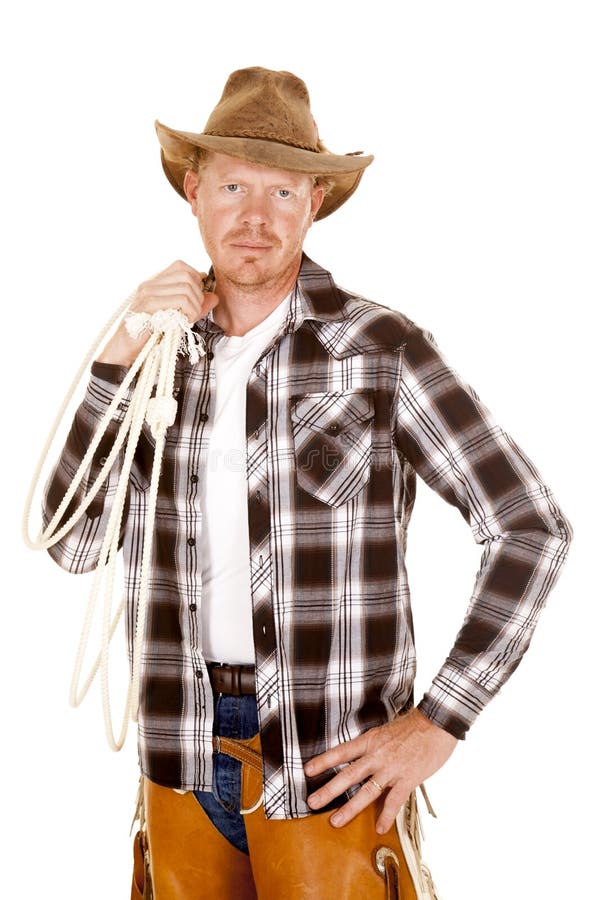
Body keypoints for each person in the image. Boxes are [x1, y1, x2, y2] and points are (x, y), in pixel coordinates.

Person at [42, 66, 572, 899]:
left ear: (314, 204)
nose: (254, 217)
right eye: (233, 185)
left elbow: (529, 526)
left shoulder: (380, 350)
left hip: (331, 766)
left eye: (283, 193)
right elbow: (73, 542)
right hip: (180, 756)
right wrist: (117, 358)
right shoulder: (153, 358)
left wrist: (440, 722)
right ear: (194, 190)